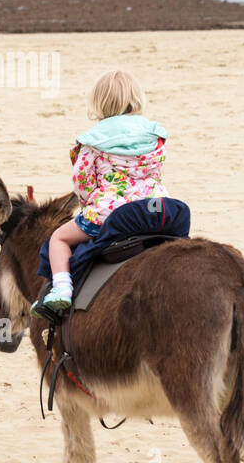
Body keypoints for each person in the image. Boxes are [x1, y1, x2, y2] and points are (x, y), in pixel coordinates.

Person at [34, 69, 167, 315]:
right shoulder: (154, 133)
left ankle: (62, 289)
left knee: (58, 239)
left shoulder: (93, 139)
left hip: (111, 214)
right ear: (137, 98)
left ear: (98, 102)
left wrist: (89, 202)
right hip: (155, 210)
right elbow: (157, 170)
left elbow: (82, 182)